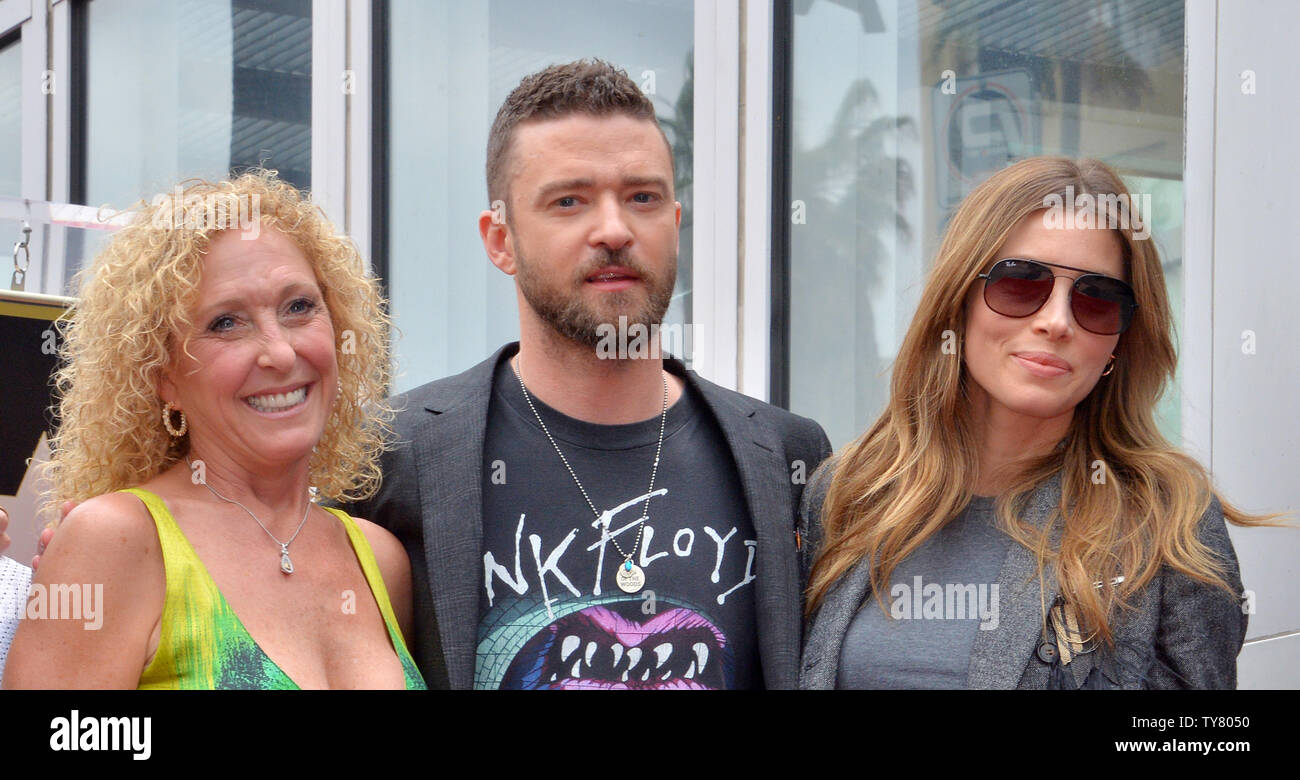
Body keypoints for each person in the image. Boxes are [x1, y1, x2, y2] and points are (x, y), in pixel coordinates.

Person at [344, 60, 831, 690]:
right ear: (501, 240)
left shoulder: (788, 457)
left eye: (642, 198)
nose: (614, 230)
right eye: (569, 201)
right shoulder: (389, 456)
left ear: (675, 225)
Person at [798, 157, 1274, 689]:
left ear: (1118, 342)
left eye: (1097, 300)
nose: (1057, 321)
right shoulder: (847, 492)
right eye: (1021, 283)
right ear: (958, 303)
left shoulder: (1168, 520)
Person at [2, 172, 424, 689]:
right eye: (226, 322)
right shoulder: (117, 539)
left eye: (299, 307)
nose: (281, 352)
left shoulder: (380, 558)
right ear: (162, 376)